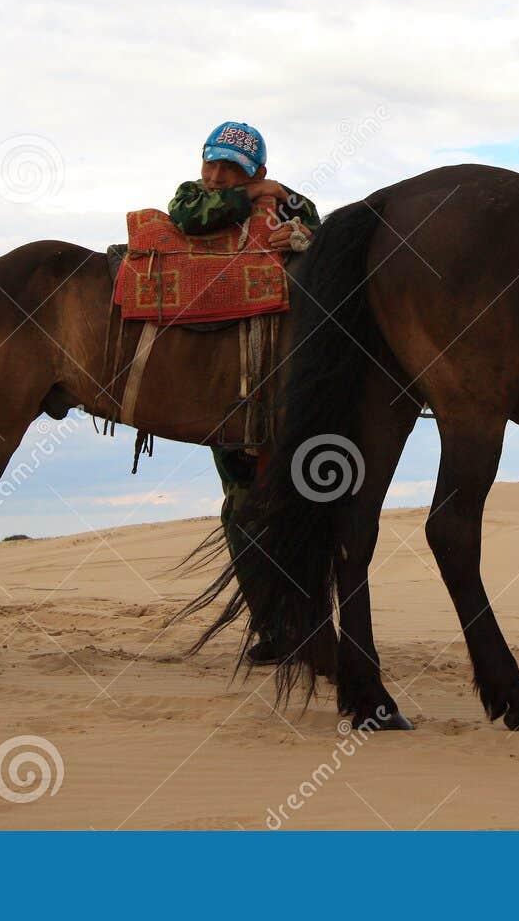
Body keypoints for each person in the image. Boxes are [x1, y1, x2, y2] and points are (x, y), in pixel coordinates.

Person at [173, 121, 321, 665]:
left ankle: (304, 624)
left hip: (282, 374)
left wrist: (299, 238)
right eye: (211, 163)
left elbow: (325, 256)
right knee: (240, 510)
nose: (215, 176)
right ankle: (270, 625)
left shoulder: (295, 204)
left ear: (256, 167)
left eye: (230, 168)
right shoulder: (194, 196)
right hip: (223, 379)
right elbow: (189, 218)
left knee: (293, 505)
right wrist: (251, 195)